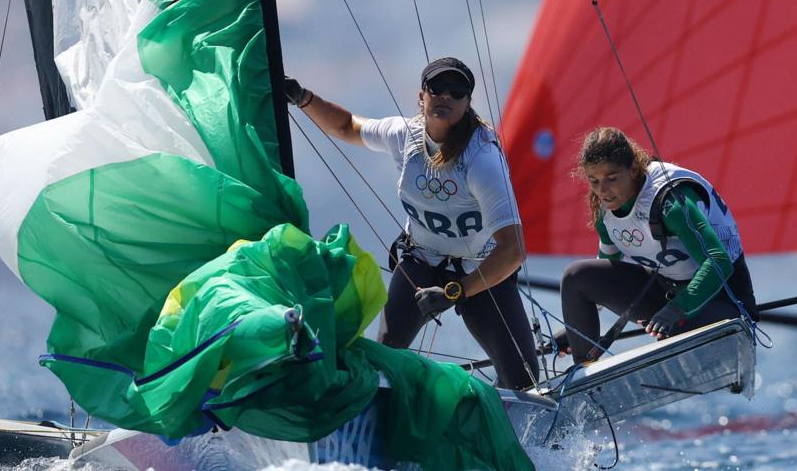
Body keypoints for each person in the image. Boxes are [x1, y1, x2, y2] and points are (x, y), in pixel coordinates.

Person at [284, 57, 538, 389]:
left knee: (524, 380)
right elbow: (347, 126)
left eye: (457, 91)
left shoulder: (482, 159)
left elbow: (514, 249)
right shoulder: (403, 135)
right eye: (437, 88)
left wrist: (456, 290)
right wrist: (302, 97)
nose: (446, 96)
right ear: (422, 96)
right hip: (422, 261)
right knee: (385, 362)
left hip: (479, 271)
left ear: (467, 103)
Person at [559, 127, 757, 364]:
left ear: (633, 169)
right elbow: (607, 266)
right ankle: (584, 376)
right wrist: (578, 327)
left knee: (672, 336)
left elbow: (719, 262)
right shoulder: (603, 206)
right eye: (594, 180)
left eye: (611, 179)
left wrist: (677, 308)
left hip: (722, 298)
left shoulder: (671, 203)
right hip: (666, 290)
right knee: (576, 277)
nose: (603, 190)